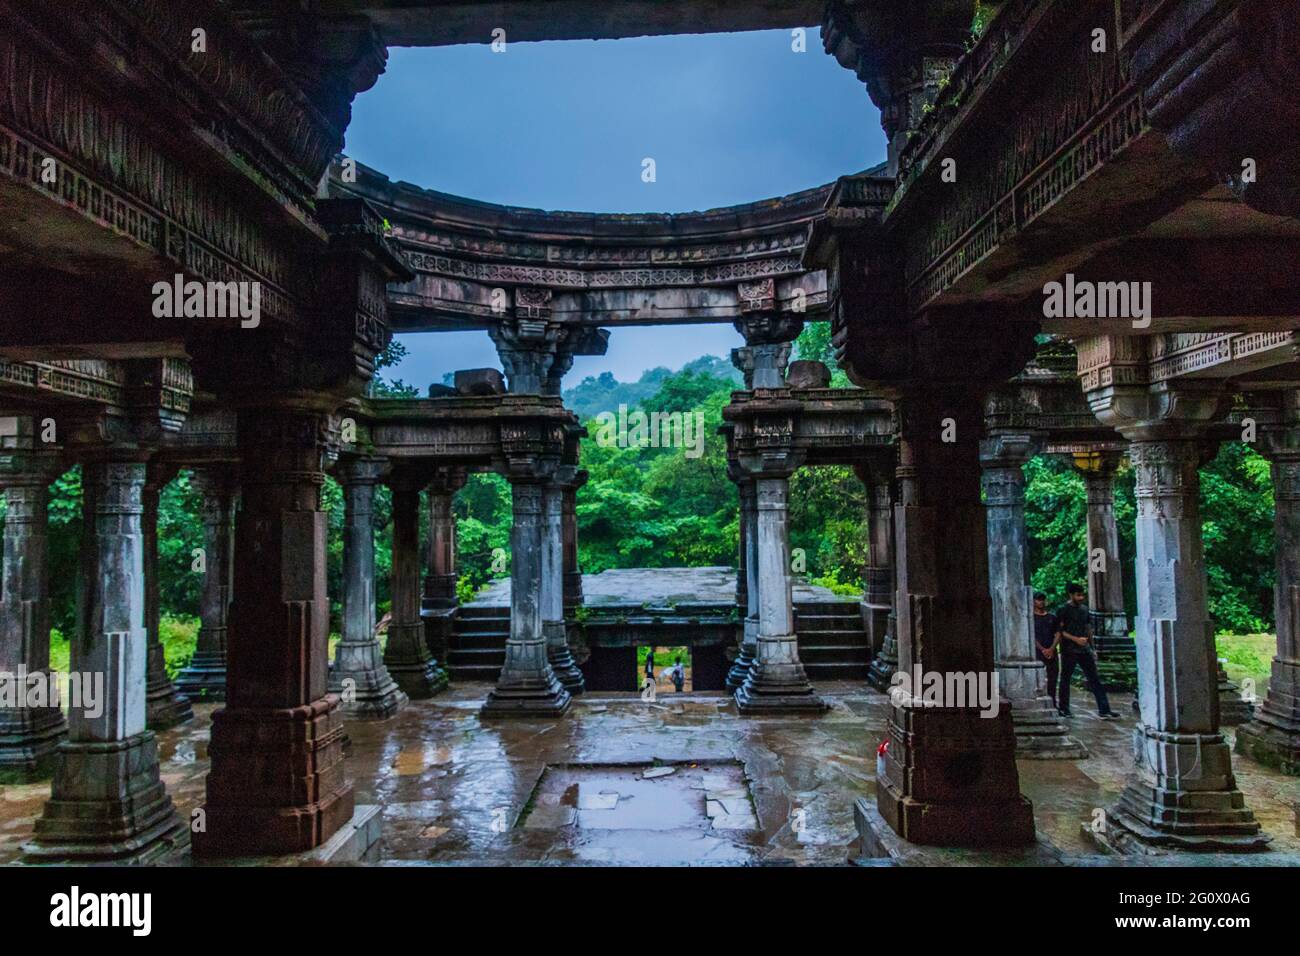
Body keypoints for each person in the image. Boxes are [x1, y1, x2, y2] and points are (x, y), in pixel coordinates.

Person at [1055, 583, 1119, 719]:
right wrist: (1075, 639)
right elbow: (1060, 631)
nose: (1080, 598)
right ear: (1071, 595)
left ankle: (1104, 709)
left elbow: (1088, 629)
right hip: (1069, 649)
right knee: (1065, 679)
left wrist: (1093, 648)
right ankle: (1064, 708)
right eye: (1078, 595)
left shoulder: (1084, 610)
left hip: (1084, 649)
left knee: (1095, 678)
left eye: (1082, 595)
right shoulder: (1063, 610)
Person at [1032, 592, 1059, 708]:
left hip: (1051, 650)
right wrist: (1043, 649)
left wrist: (1052, 648)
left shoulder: (1052, 617)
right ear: (1033, 601)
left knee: (1053, 677)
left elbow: (1058, 633)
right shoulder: (1030, 617)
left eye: (1043, 599)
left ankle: (1053, 702)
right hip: (1038, 651)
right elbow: (1031, 635)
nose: (1041, 602)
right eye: (1038, 599)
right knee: (1037, 678)